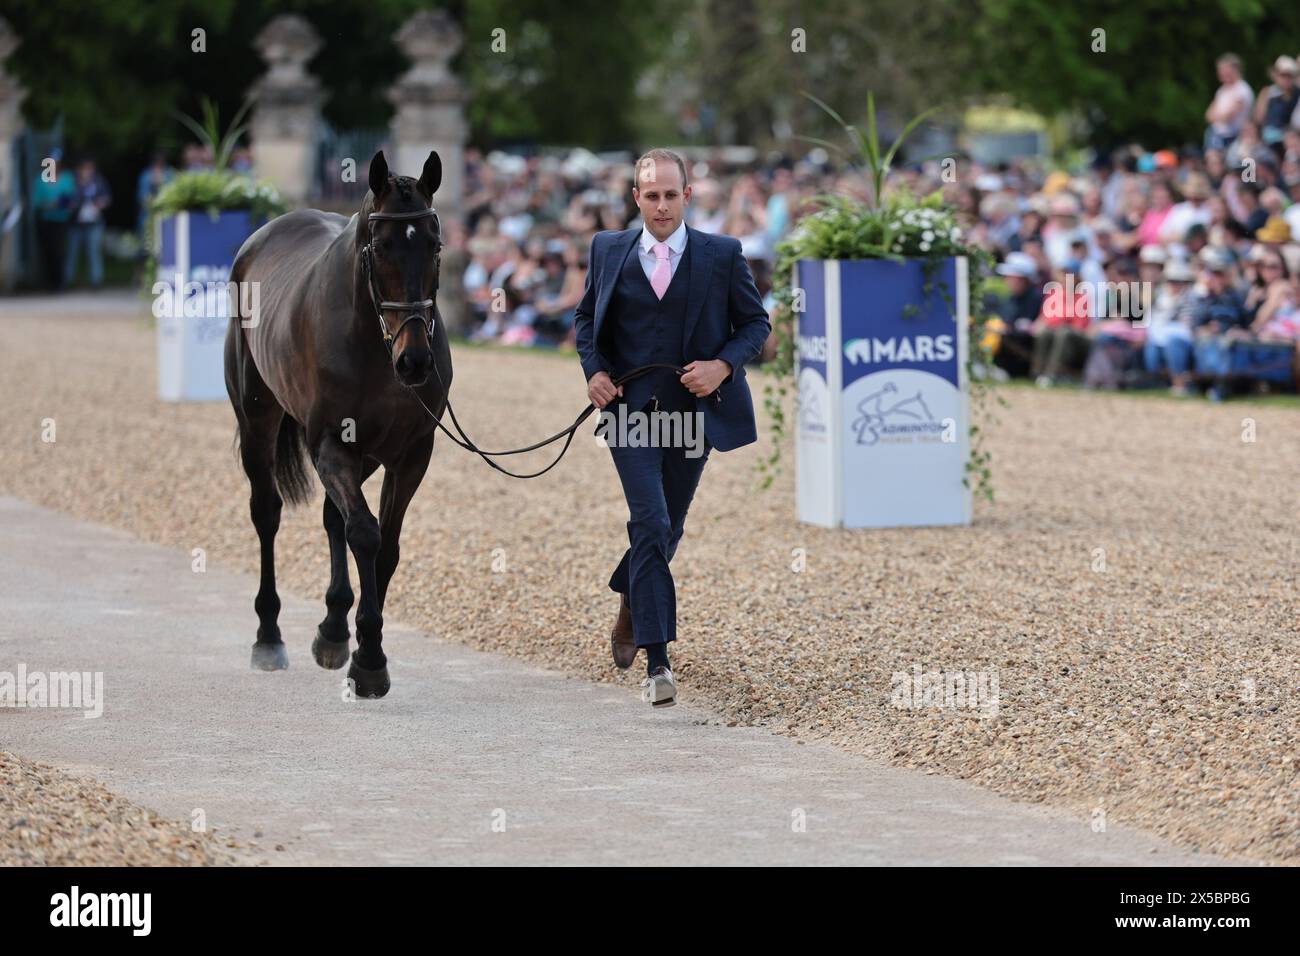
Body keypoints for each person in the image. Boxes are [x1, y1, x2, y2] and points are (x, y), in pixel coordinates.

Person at [575, 147, 770, 708]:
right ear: (636, 198)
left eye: (670, 194)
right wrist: (595, 373)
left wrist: (723, 366)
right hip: (631, 414)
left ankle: (631, 598)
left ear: (688, 195)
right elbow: (587, 317)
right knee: (651, 519)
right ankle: (657, 660)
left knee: (666, 531)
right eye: (650, 195)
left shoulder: (722, 254)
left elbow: (755, 322)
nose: (660, 205)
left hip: (693, 417)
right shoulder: (607, 249)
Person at [31, 149, 76, 291]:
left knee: (59, 251)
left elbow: (72, 198)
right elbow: (36, 202)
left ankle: (60, 283)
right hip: (46, 221)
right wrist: (49, 204)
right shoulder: (40, 180)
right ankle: (49, 283)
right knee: (47, 252)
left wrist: (65, 204)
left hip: (62, 220)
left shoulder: (68, 178)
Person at [64, 158, 111, 288]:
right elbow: (65, 199)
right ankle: (67, 280)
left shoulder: (99, 182)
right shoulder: (73, 182)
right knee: (71, 253)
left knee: (93, 252)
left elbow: (107, 198)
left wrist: (100, 204)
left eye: (89, 169)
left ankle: (96, 280)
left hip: (94, 223)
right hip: (76, 223)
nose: (87, 172)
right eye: (84, 169)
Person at [1204, 53, 1254, 152]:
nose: (1220, 73)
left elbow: (1227, 117)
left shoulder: (1242, 90)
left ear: (1235, 69)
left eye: (1223, 69)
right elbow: (1208, 115)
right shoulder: (1221, 90)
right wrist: (1219, 116)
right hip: (1217, 135)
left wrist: (1217, 116)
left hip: (1233, 137)